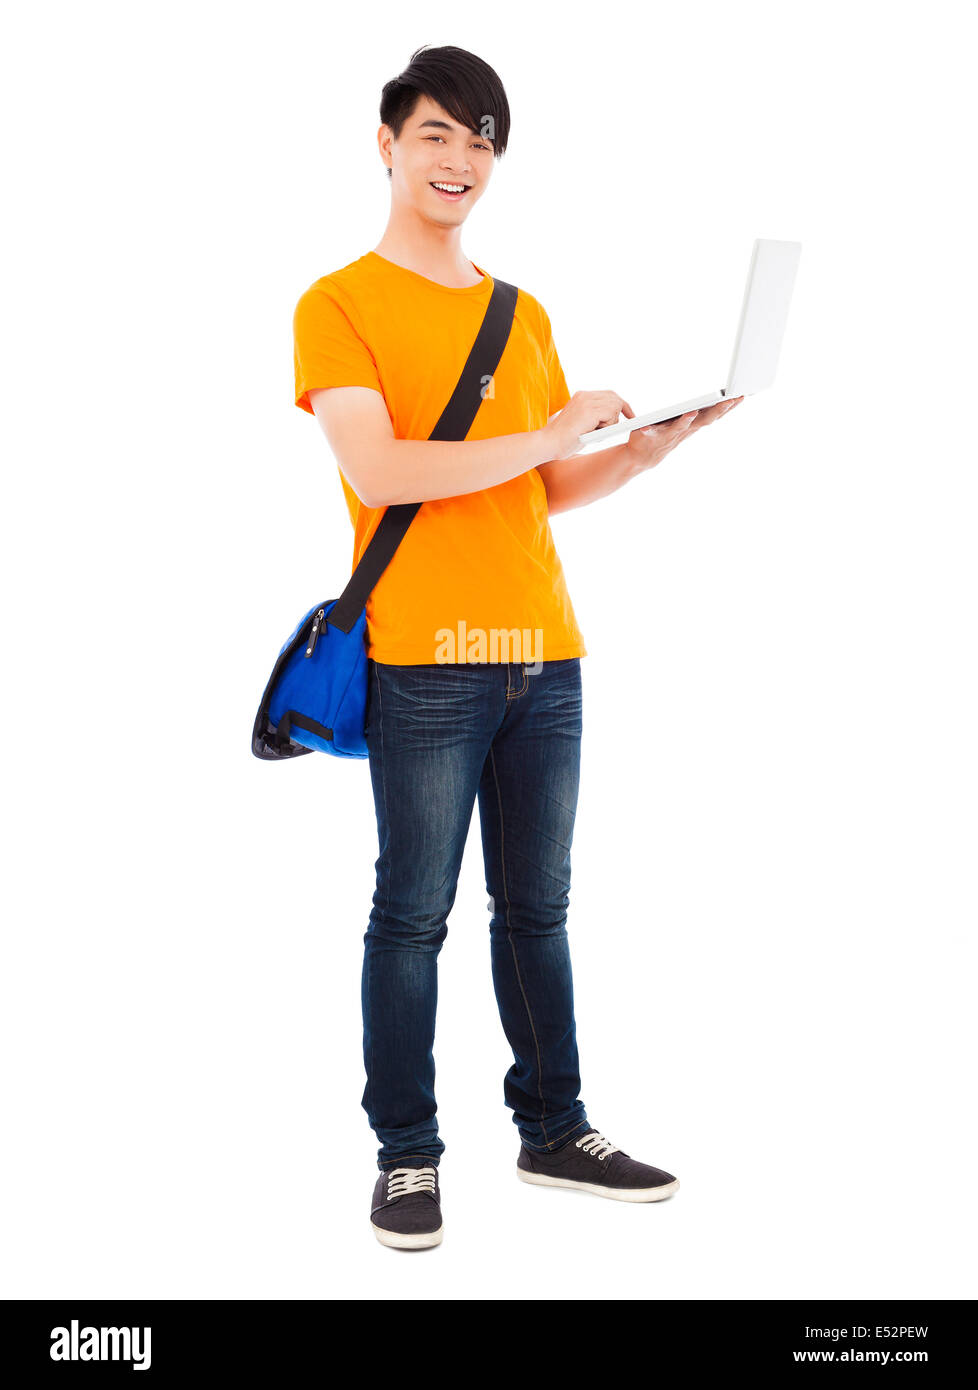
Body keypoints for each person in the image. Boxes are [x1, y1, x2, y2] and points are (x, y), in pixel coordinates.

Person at [292, 44, 742, 1250]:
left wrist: (648, 447)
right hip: (425, 659)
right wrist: (545, 427)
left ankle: (555, 1128)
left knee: (537, 907)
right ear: (388, 144)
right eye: (439, 132)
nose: (462, 158)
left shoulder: (521, 311)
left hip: (545, 651)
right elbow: (383, 469)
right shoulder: (337, 304)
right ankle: (407, 1155)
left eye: (483, 138)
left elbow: (533, 491)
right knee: (413, 913)